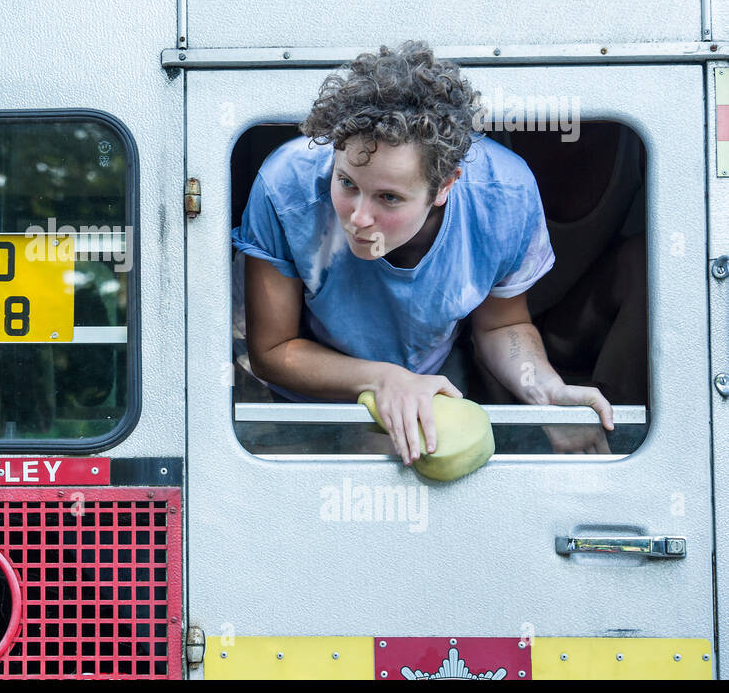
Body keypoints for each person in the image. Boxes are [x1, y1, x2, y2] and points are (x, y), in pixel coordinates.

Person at [233, 42, 614, 464]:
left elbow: (500, 326)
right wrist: (382, 381)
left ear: (446, 186)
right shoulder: (285, 185)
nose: (359, 218)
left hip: (426, 377)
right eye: (346, 184)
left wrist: (545, 390)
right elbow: (273, 350)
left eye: (389, 198)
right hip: (297, 392)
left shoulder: (504, 197)